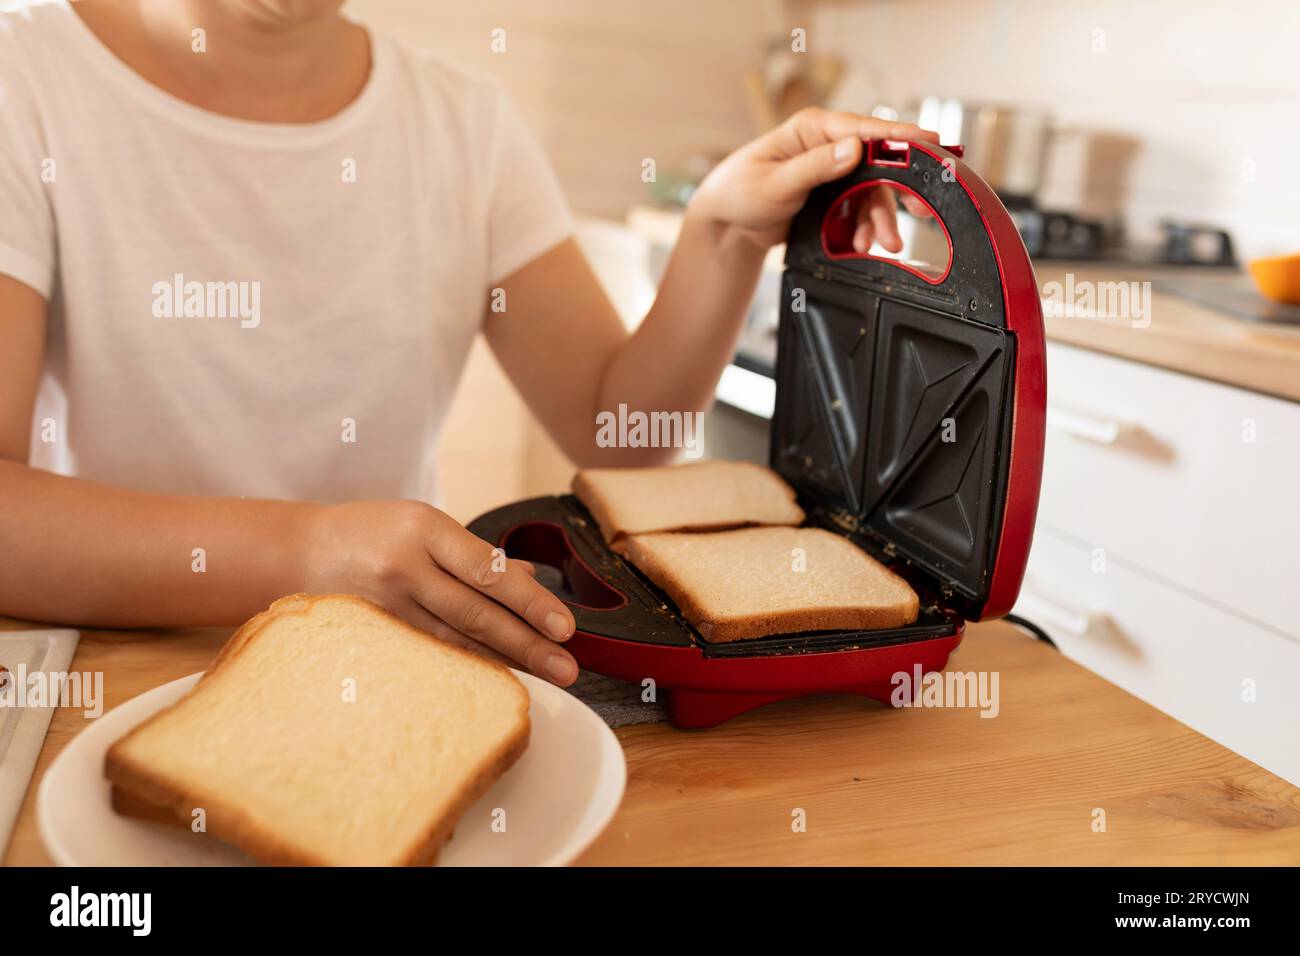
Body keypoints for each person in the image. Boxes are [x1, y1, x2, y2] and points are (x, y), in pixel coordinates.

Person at [0, 0, 937, 685]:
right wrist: (317, 551)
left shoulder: (462, 121)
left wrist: (721, 237)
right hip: (111, 663)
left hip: (391, 667)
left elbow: (622, 431)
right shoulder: (25, 75)